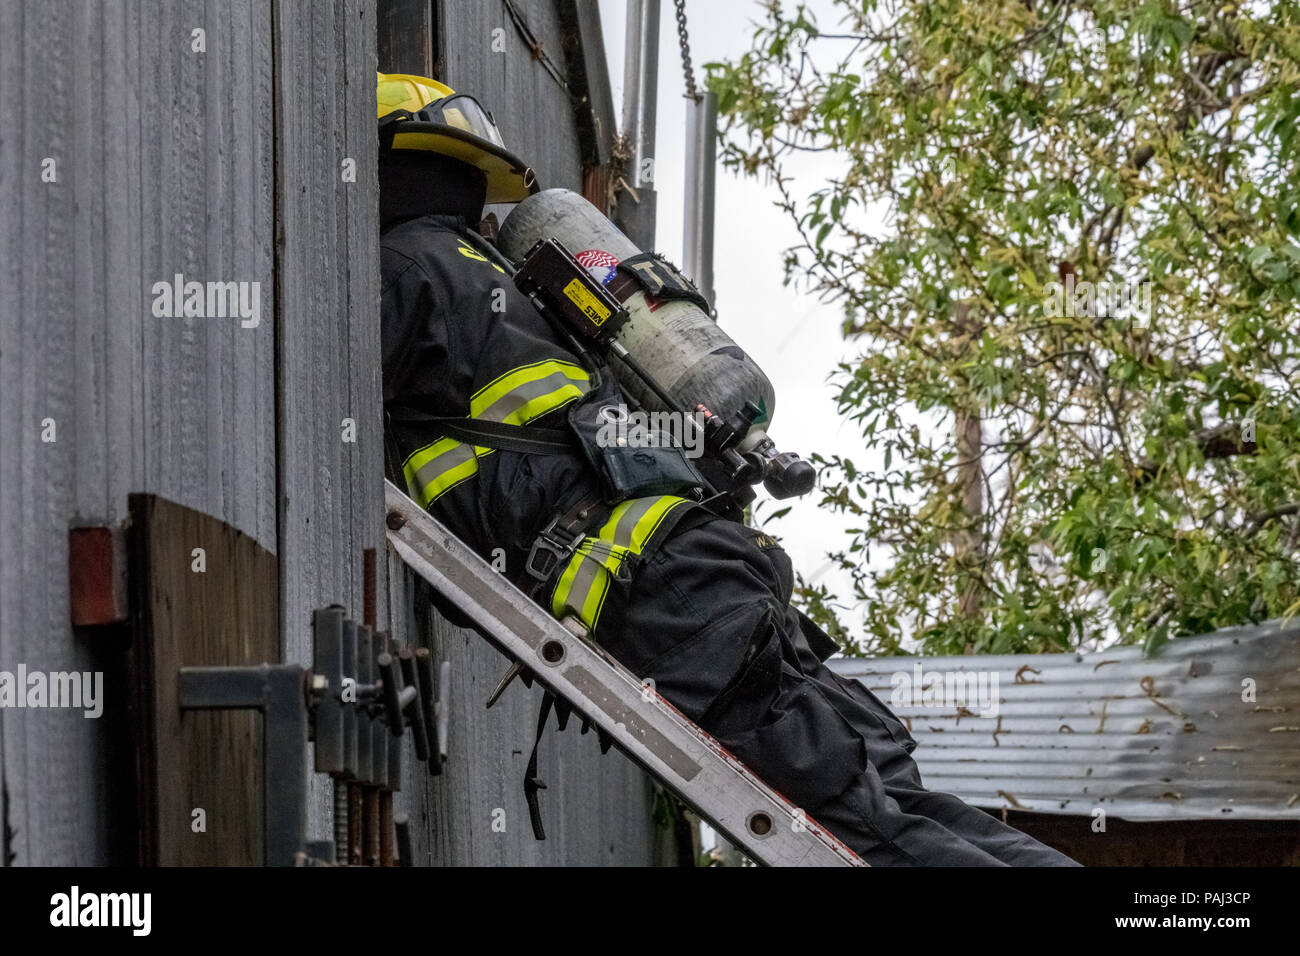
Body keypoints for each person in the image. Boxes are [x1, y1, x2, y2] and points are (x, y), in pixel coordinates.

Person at [376, 72, 1077, 866]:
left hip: (666, 597)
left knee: (867, 834)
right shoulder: (513, 285)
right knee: (895, 805)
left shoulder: (404, 267)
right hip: (709, 571)